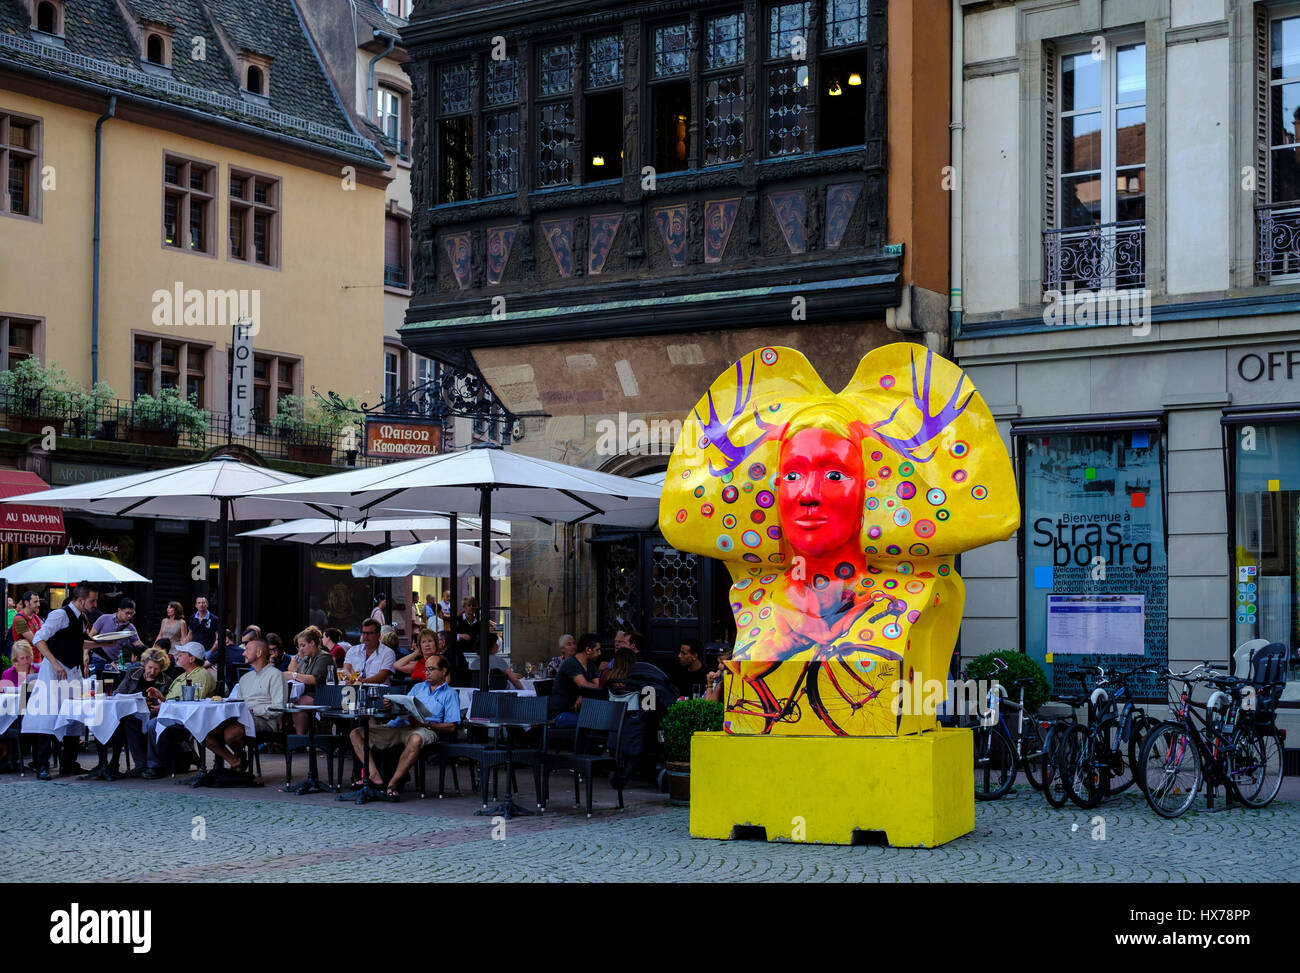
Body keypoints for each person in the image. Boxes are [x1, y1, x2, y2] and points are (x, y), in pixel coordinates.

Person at [348, 653, 459, 799]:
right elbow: (405, 706)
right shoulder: (418, 687)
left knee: (416, 739)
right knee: (356, 733)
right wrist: (391, 705)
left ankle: (392, 784)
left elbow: (451, 726)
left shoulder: (450, 694)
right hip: (401, 725)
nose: (427, 673)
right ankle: (374, 775)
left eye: (431, 669)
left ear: (443, 671)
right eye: (426, 669)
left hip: (426, 729)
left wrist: (426, 724)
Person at [28, 581, 100, 779]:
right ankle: (42, 765)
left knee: (73, 716)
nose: (95, 605)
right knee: (48, 715)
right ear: (80, 600)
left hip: (73, 672)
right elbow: (39, 639)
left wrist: (106, 644)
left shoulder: (81, 617)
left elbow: (77, 642)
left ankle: (69, 763)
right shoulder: (59, 615)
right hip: (55, 672)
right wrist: (55, 663)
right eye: (92, 601)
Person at [202, 638, 285, 773]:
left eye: (247, 650)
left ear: (258, 653)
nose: (243, 653)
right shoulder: (245, 678)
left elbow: (279, 707)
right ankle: (235, 761)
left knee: (230, 733)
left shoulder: (275, 675)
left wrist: (253, 710)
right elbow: (238, 703)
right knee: (204, 731)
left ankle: (238, 758)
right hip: (241, 717)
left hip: (265, 720)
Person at [138, 642, 214, 778]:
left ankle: (156, 767)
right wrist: (160, 696)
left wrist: (165, 707)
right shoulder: (182, 676)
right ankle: (148, 763)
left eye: (182, 654)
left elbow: (192, 703)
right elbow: (172, 699)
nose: (178, 655)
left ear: (192, 658)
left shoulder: (201, 675)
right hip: (175, 715)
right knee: (137, 721)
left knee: (153, 724)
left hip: (188, 719)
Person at [117, 647, 173, 774]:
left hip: (153, 713)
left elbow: (167, 702)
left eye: (156, 669)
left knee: (137, 722)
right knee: (127, 721)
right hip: (132, 712)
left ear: (162, 668)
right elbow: (119, 693)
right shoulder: (132, 673)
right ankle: (139, 764)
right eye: (150, 667)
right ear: (144, 664)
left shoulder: (166, 680)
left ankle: (145, 764)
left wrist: (159, 701)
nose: (152, 671)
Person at [286, 626, 334, 735]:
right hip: (306, 694)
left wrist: (293, 675)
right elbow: (294, 673)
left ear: (312, 643)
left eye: (303, 645)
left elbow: (314, 679)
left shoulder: (324, 657)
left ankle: (300, 737)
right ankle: (285, 733)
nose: (300, 649)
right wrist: (294, 660)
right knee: (285, 700)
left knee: (299, 702)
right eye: (299, 646)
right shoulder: (305, 659)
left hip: (323, 694)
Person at [549, 633, 602, 728]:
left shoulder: (591, 665)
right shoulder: (571, 663)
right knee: (597, 721)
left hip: (578, 712)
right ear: (588, 650)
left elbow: (597, 686)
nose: (600, 653)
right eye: (597, 650)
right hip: (561, 715)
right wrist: (586, 692)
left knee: (604, 718)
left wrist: (583, 695)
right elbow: (584, 685)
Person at [88, 597, 146, 666]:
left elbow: (139, 645)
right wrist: (85, 655)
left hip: (114, 663)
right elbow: (89, 637)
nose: (129, 616)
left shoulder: (130, 628)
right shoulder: (104, 618)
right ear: (119, 610)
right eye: (127, 613)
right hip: (97, 659)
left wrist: (150, 652)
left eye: (132, 613)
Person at [342, 618, 395, 685]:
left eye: (370, 633)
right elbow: (346, 668)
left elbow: (382, 677)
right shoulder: (353, 650)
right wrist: (349, 677)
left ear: (378, 635)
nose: (365, 636)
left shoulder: (388, 653)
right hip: (354, 688)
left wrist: (362, 681)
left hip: (378, 689)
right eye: (363, 633)